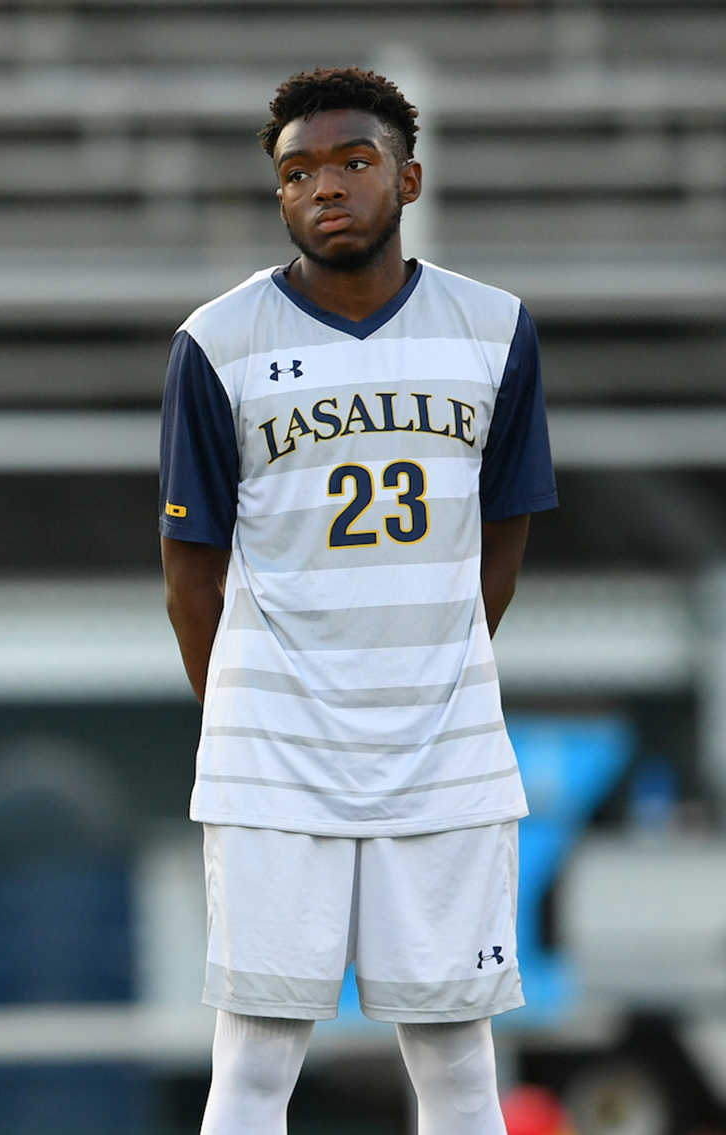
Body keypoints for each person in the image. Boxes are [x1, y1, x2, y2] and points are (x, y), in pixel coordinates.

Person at [159, 67, 558, 1135]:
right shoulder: (215, 339)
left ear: (408, 176)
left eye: (351, 161)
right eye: (297, 172)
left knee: (457, 1059)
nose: (323, 187)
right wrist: (251, 714)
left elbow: (500, 542)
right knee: (251, 1057)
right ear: (277, 195)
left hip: (444, 745)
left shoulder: (494, 328)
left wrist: (424, 665)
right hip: (274, 749)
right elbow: (189, 572)